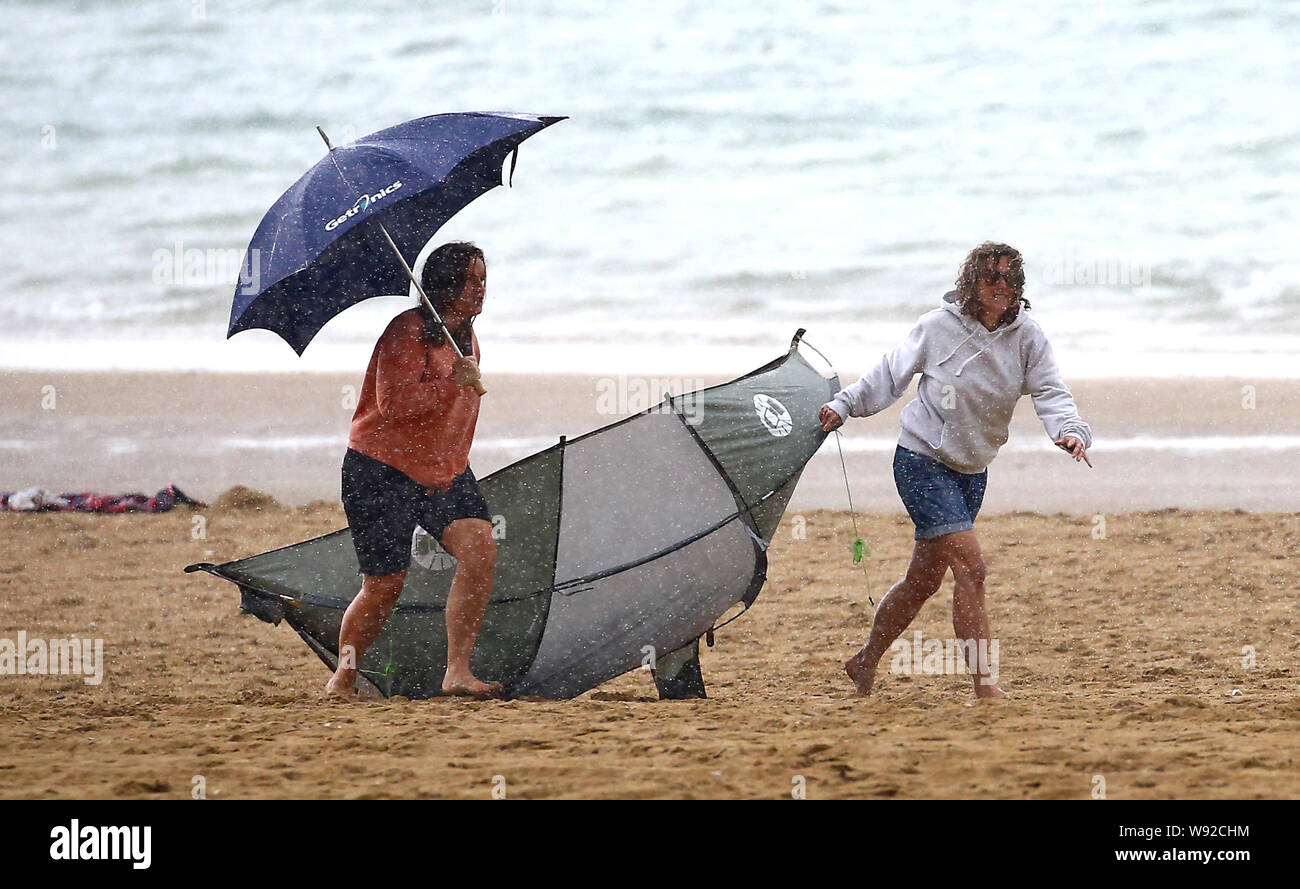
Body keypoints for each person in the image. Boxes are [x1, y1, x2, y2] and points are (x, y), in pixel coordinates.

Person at [819, 242, 1092, 699]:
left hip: (972, 470)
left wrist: (1070, 430)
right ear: (972, 282)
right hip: (921, 461)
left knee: (921, 582)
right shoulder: (937, 327)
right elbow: (889, 377)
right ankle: (986, 688)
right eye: (991, 277)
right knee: (973, 570)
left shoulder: (1028, 337)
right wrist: (844, 405)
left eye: (1010, 278)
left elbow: (1050, 391)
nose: (1001, 285)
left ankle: (864, 661)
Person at [325, 241, 500, 698]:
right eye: (470, 280)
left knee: (480, 549)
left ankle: (457, 671)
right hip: (379, 468)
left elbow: (461, 414)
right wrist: (451, 382)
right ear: (444, 284)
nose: (480, 290)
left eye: (483, 280)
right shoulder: (406, 331)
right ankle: (343, 678)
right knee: (384, 586)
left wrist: (452, 463)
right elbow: (396, 405)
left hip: (443, 469)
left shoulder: (464, 335)